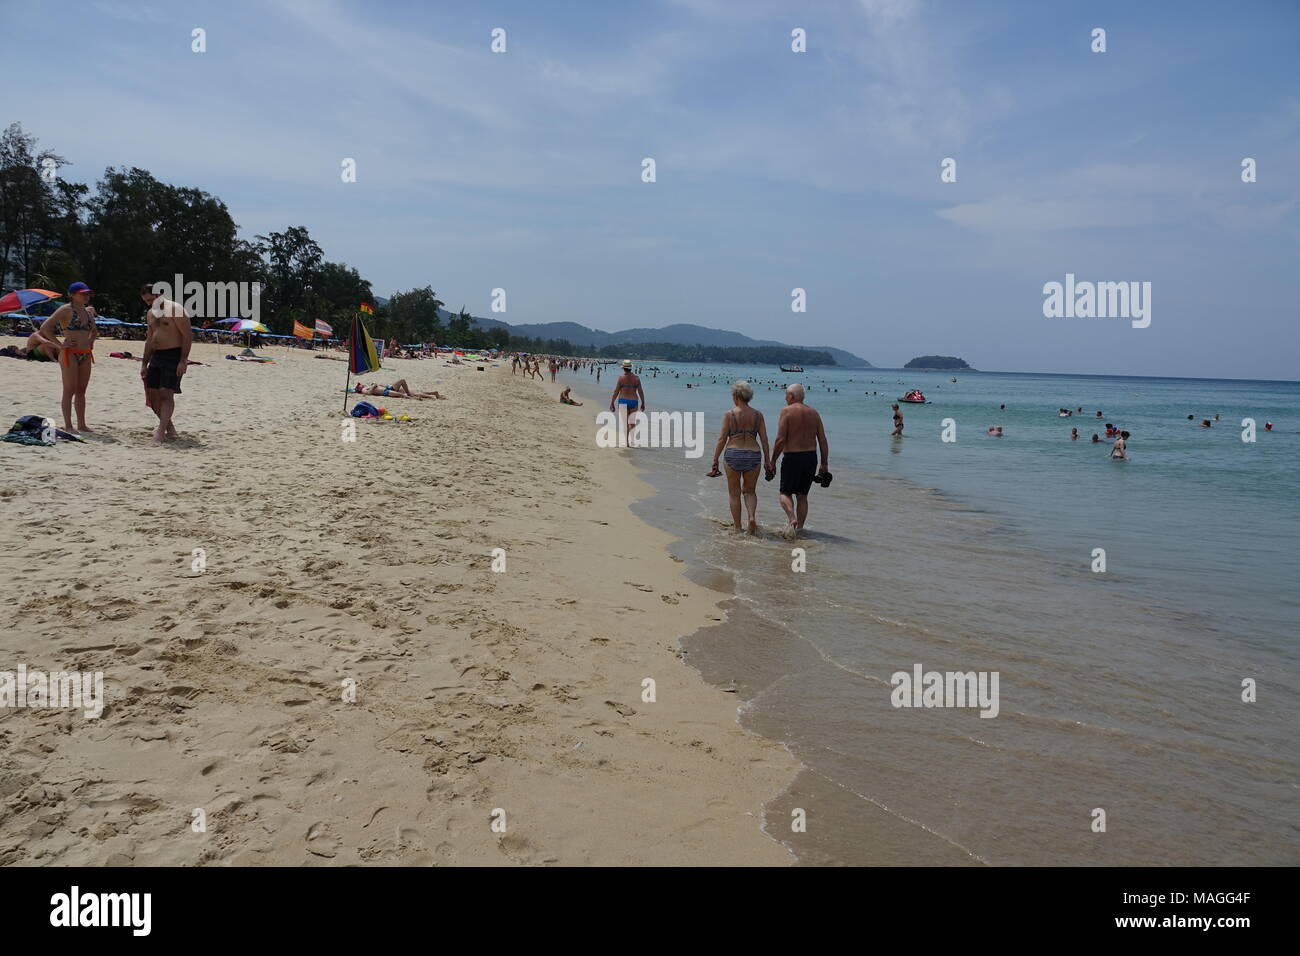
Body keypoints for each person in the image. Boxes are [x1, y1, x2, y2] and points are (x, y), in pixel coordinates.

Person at [707, 381, 771, 532]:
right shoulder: (758, 415)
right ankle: (751, 517)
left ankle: (737, 527)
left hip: (733, 454)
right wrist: (768, 460)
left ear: (736, 396)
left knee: (734, 493)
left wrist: (715, 458)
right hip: (753, 454)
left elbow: (722, 439)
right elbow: (764, 440)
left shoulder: (730, 414)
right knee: (750, 491)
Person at [38, 281, 98, 433]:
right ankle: (69, 425)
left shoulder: (88, 312)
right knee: (69, 390)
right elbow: (45, 327)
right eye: (82, 293)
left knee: (81, 391)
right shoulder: (65, 309)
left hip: (85, 354)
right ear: (72, 294)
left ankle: (82, 424)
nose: (86, 296)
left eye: (87, 293)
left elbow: (94, 331)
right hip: (69, 354)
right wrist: (59, 345)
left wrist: (91, 340)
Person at [771, 383, 828, 534]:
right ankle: (800, 529)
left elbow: (780, 439)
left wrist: (772, 461)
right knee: (802, 496)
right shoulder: (814, 413)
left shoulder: (787, 411)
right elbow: (822, 440)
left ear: (791, 396)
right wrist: (824, 464)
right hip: (810, 457)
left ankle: (791, 518)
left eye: (785, 395)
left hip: (792, 457)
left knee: (785, 493)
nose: (785, 398)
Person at [140, 283, 193, 444]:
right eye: (146, 301)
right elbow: (149, 339)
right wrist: (144, 363)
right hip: (156, 356)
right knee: (152, 394)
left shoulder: (175, 309)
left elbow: (187, 336)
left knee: (166, 393)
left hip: (173, 354)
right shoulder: (150, 313)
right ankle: (169, 428)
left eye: (151, 299)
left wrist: (183, 360)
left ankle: (161, 432)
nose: (149, 303)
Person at [609, 359, 647, 445]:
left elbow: (616, 391)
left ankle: (627, 442)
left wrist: (612, 402)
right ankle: (632, 440)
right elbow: (641, 391)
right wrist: (643, 403)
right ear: (630, 368)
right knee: (632, 423)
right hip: (633, 401)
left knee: (625, 423)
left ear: (623, 368)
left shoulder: (621, 378)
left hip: (623, 401)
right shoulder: (636, 378)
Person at [354, 379, 444, 399]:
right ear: (359, 389)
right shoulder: (363, 390)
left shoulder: (365, 386)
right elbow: (368, 393)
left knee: (412, 390)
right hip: (387, 391)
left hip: (389, 387)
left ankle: (433, 393)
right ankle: (431, 396)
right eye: (359, 385)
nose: (361, 384)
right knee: (409, 392)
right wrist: (374, 385)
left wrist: (374, 384)